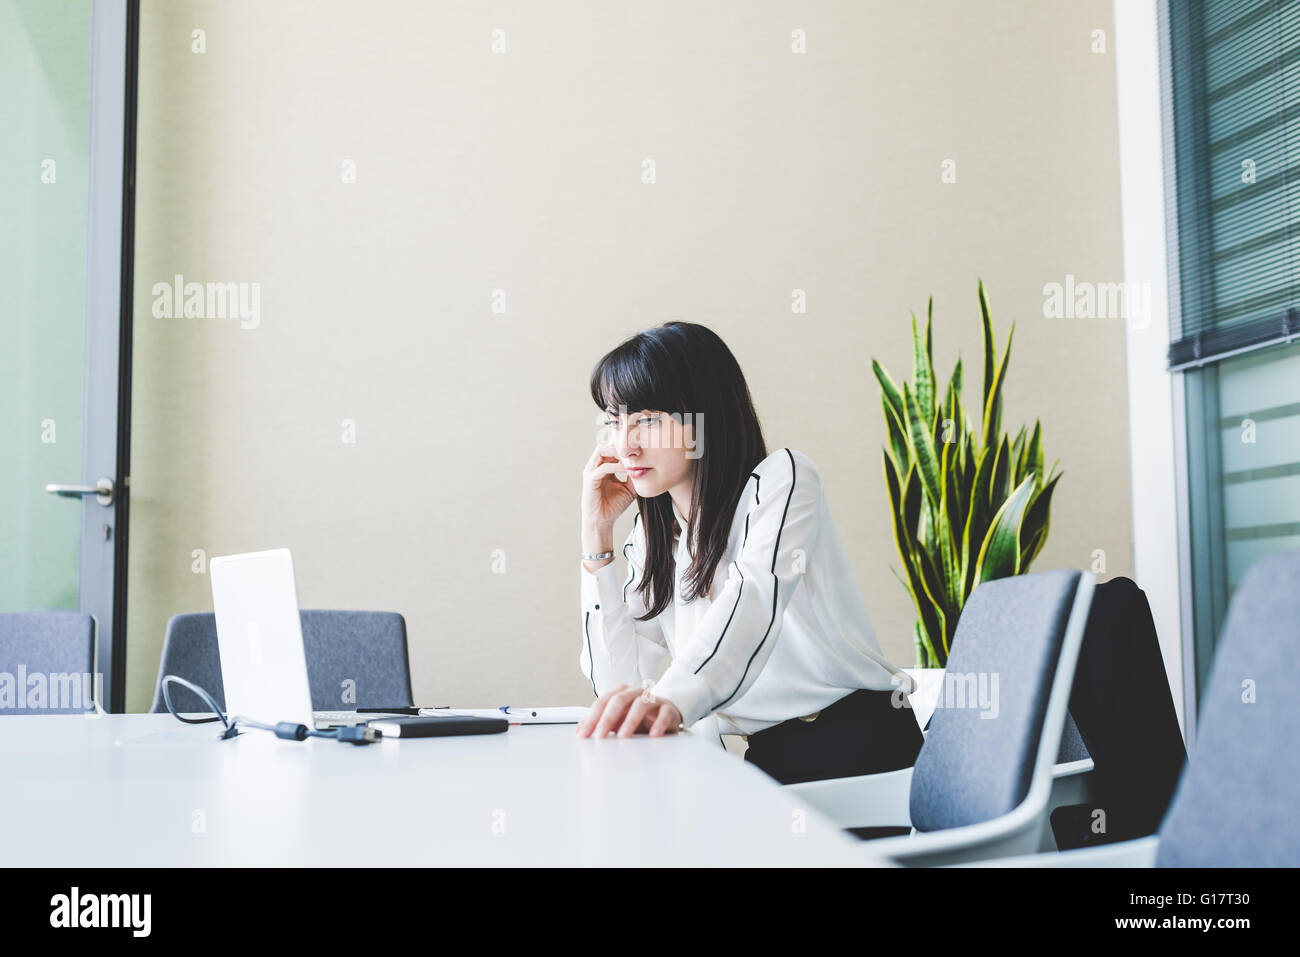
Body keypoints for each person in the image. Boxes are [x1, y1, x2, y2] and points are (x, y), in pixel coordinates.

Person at [574, 320, 923, 785]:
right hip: (770, 760)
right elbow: (616, 687)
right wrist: (596, 540)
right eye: (615, 422)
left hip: (862, 750)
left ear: (704, 415)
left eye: (648, 420)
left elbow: (750, 602)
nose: (625, 444)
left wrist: (671, 700)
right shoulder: (654, 537)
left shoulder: (784, 480)